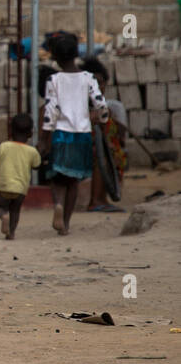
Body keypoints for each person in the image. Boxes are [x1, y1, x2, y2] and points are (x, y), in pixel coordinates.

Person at [39, 32, 109, 235]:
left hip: (61, 133)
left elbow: (50, 110)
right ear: (76, 54)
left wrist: (44, 139)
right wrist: (101, 124)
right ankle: (66, 224)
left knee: (58, 178)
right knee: (73, 182)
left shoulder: (54, 79)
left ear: (56, 58)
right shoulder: (88, 78)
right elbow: (101, 105)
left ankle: (58, 205)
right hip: (82, 135)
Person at [82, 58, 127, 213]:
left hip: (107, 148)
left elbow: (121, 137)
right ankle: (96, 201)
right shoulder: (81, 107)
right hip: (87, 149)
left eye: (100, 83)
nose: (97, 88)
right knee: (100, 154)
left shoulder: (110, 107)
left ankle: (102, 198)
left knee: (110, 154)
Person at [0, 113, 41, 240]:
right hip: (20, 189)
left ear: (10, 131)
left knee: (0, 207)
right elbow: (37, 166)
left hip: (3, 186)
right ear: (31, 133)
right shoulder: (32, 151)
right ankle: (11, 233)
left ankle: (3, 217)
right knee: (15, 211)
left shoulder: (4, 146)